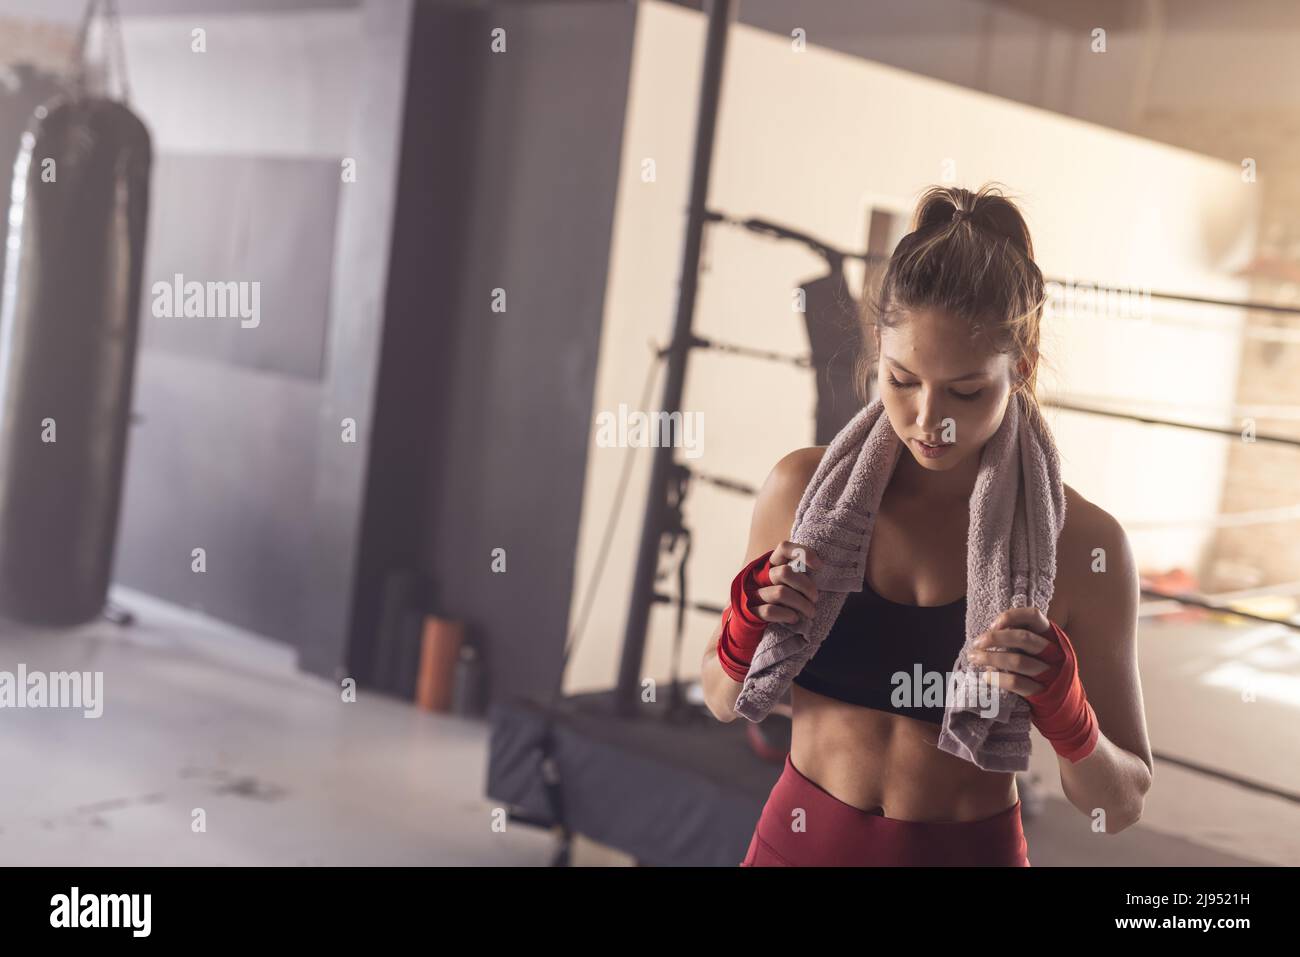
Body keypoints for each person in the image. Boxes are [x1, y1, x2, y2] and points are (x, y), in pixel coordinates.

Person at [702, 183, 1153, 866]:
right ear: (878, 351)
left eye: (966, 390)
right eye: (902, 379)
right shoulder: (800, 490)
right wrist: (742, 628)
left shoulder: (1083, 543)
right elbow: (717, 696)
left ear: (1020, 368)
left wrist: (1068, 712)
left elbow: (1116, 804)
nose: (926, 418)